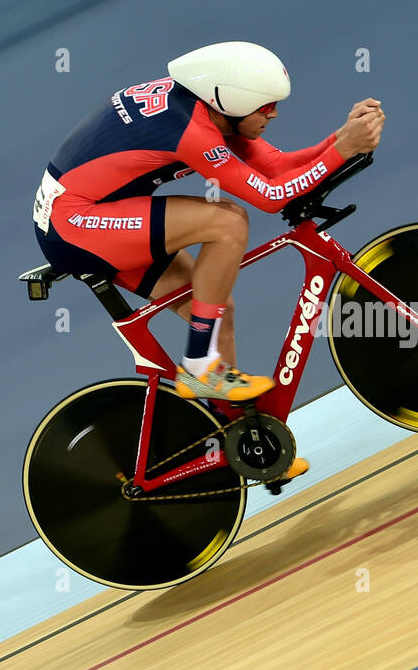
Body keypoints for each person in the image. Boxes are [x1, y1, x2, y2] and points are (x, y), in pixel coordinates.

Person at [32, 41, 384, 481]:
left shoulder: (211, 107)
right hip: (76, 225)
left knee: (217, 308)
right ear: (229, 101)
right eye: (265, 106)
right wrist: (342, 149)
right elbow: (270, 198)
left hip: (86, 215)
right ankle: (201, 363)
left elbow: (275, 168)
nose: (272, 114)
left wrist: (340, 140)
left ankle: (252, 444)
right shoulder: (191, 131)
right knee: (227, 222)